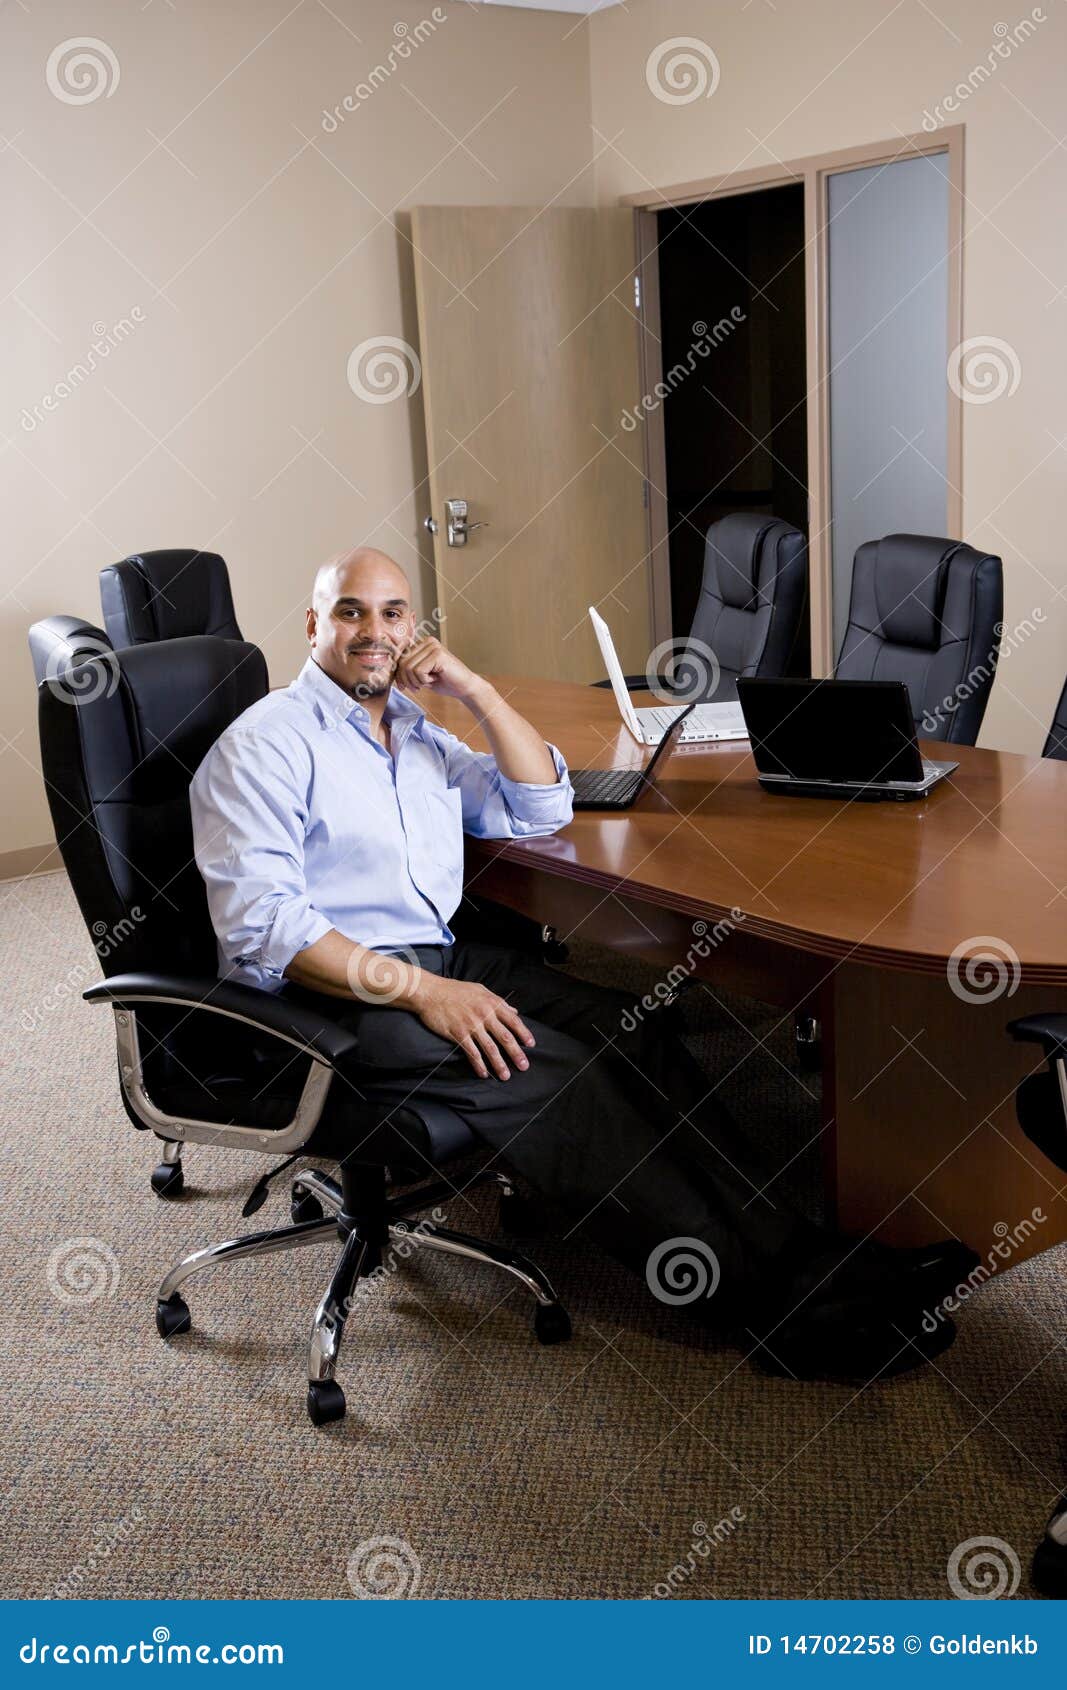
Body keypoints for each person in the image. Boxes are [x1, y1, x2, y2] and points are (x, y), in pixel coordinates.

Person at [190, 545, 978, 1381]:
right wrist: (426, 993)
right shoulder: (265, 746)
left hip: (434, 961)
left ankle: (805, 1252)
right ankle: (772, 1308)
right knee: (562, 1075)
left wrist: (476, 692)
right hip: (328, 1001)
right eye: (350, 611)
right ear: (313, 625)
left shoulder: (411, 731)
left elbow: (539, 804)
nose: (372, 632)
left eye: (392, 613)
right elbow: (264, 928)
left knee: (632, 1030)